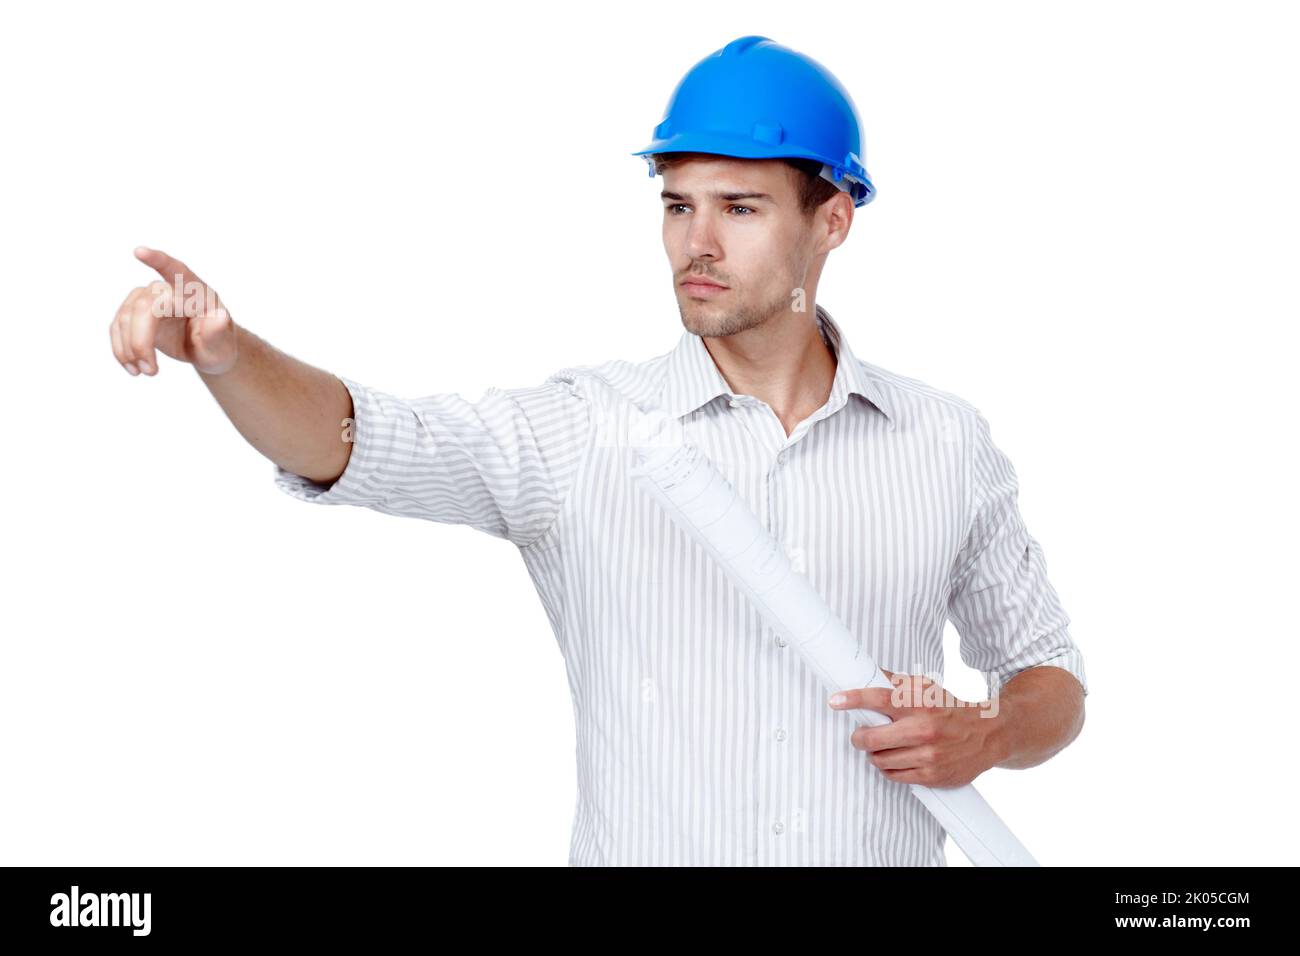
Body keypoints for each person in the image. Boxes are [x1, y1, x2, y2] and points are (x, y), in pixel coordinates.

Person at [107, 35, 1086, 866]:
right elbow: (362, 437)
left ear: (831, 218)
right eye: (675, 204)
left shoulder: (942, 441)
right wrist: (229, 359)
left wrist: (992, 730)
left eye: (738, 207)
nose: (694, 242)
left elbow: (1047, 671)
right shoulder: (589, 431)